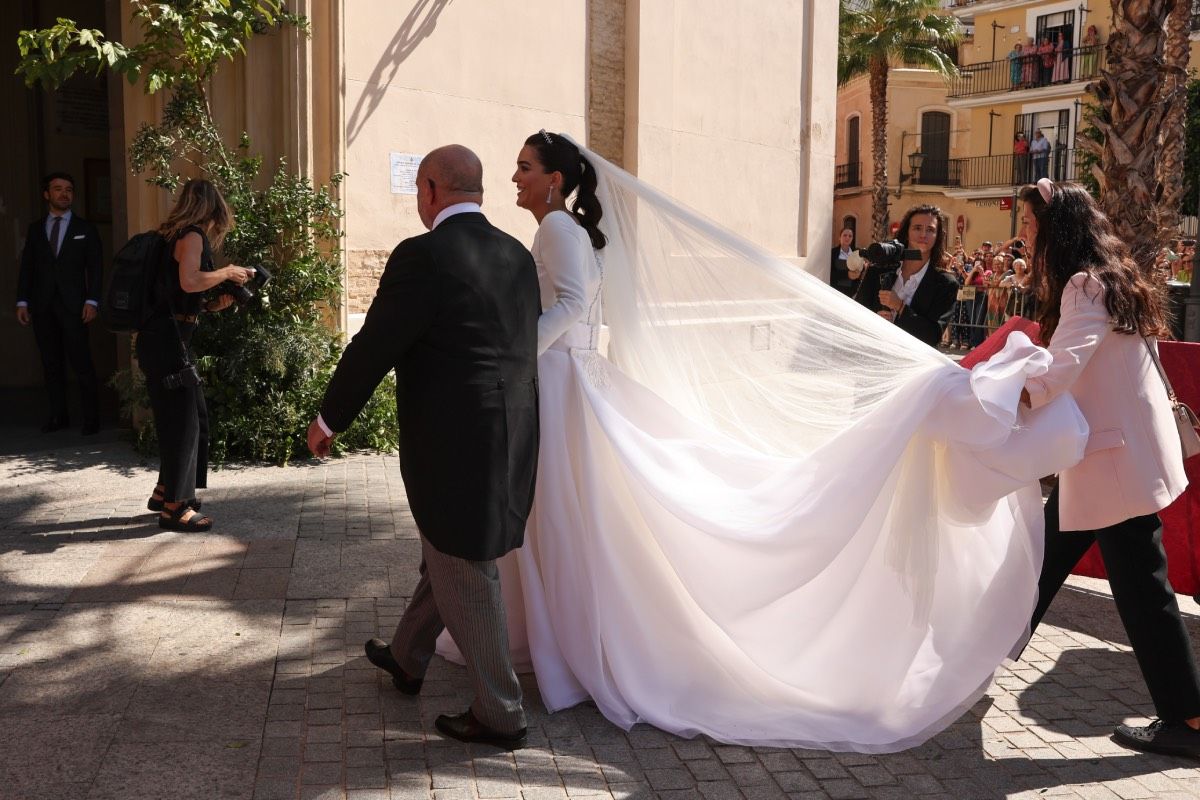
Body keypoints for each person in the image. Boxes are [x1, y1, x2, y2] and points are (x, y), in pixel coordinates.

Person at [426, 132, 1088, 753]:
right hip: (562, 375)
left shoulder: (557, 227)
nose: (514, 176)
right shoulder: (560, 226)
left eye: (524, 166)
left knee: (572, 514)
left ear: (554, 181)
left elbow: (571, 305)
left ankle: (558, 641)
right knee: (556, 514)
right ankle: (512, 633)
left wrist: (518, 349)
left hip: (560, 374)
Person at [308, 144, 540, 751]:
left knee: (464, 566)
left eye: (419, 191)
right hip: (513, 433)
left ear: (432, 190)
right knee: (448, 553)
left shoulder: (423, 256)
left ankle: (501, 713)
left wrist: (330, 418)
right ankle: (408, 659)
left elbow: (375, 345)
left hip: (455, 441)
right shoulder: (516, 253)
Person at [1017, 178, 1200, 758]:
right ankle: (978, 660)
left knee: (1144, 590)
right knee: (1039, 562)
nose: (1024, 235)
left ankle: (1189, 720)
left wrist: (994, 390)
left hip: (1112, 462)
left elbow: (1056, 373)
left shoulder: (1083, 285)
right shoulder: (1108, 279)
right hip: (1109, 457)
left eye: (1030, 225)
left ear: (1057, 231)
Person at [139, 179, 251, 532]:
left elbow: (183, 295)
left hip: (163, 339)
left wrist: (220, 301)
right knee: (184, 423)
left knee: (188, 417)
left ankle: (165, 491)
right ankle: (174, 508)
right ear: (213, 207)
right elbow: (189, 281)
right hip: (168, 343)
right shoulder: (191, 236)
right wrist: (228, 272)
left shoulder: (170, 236)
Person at [15, 172, 103, 435]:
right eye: (58, 189)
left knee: (82, 362)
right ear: (47, 194)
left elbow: (96, 268)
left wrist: (92, 300)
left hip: (75, 306)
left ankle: (91, 419)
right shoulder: (35, 229)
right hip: (42, 306)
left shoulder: (84, 229)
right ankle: (58, 416)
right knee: (51, 364)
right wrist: (22, 301)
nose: (64, 194)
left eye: (69, 190)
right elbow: (27, 268)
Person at [851, 205, 959, 348]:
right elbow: (856, 317)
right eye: (917, 228)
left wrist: (900, 307)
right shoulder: (877, 271)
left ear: (937, 236)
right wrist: (875, 321)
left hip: (916, 363)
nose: (923, 235)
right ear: (907, 232)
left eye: (930, 230)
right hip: (875, 355)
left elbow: (932, 336)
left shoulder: (945, 284)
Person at [829, 226, 858, 296]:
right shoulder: (832, 253)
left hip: (852, 293)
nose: (847, 238)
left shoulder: (856, 253)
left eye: (850, 236)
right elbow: (829, 273)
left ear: (852, 239)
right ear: (839, 238)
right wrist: (847, 274)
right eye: (845, 235)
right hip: (835, 292)